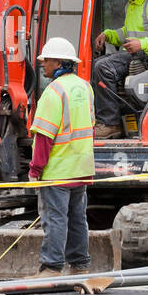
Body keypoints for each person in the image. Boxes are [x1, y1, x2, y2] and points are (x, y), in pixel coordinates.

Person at [29, 37, 95, 275]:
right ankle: (79, 265)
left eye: (46, 60)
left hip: (58, 170)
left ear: (58, 62)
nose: (43, 64)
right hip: (81, 167)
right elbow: (90, 126)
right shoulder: (85, 87)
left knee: (55, 219)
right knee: (77, 219)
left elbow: (45, 137)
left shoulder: (53, 92)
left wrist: (35, 170)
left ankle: (52, 266)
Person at [91, 0, 148, 139]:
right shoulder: (132, 3)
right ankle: (103, 118)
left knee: (102, 68)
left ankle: (111, 124)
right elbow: (127, 32)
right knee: (93, 64)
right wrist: (107, 34)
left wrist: (141, 44)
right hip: (134, 53)